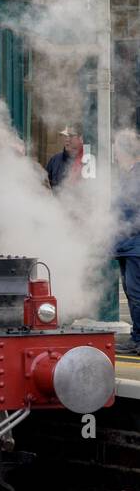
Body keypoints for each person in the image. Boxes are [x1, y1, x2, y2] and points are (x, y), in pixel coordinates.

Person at [115, 132, 140, 353]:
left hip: (134, 244)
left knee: (136, 293)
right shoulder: (127, 175)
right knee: (133, 292)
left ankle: (139, 338)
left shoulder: (136, 174)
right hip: (126, 244)